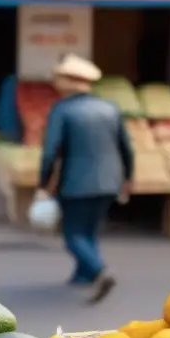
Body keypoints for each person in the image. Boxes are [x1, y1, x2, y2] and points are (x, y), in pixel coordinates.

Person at [37, 54, 133, 303]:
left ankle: (101, 272)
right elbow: (126, 147)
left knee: (73, 236)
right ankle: (83, 274)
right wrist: (128, 177)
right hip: (109, 181)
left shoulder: (63, 109)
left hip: (77, 183)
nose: (55, 82)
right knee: (89, 230)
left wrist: (43, 184)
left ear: (70, 81)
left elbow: (50, 151)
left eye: (58, 78)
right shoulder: (109, 107)